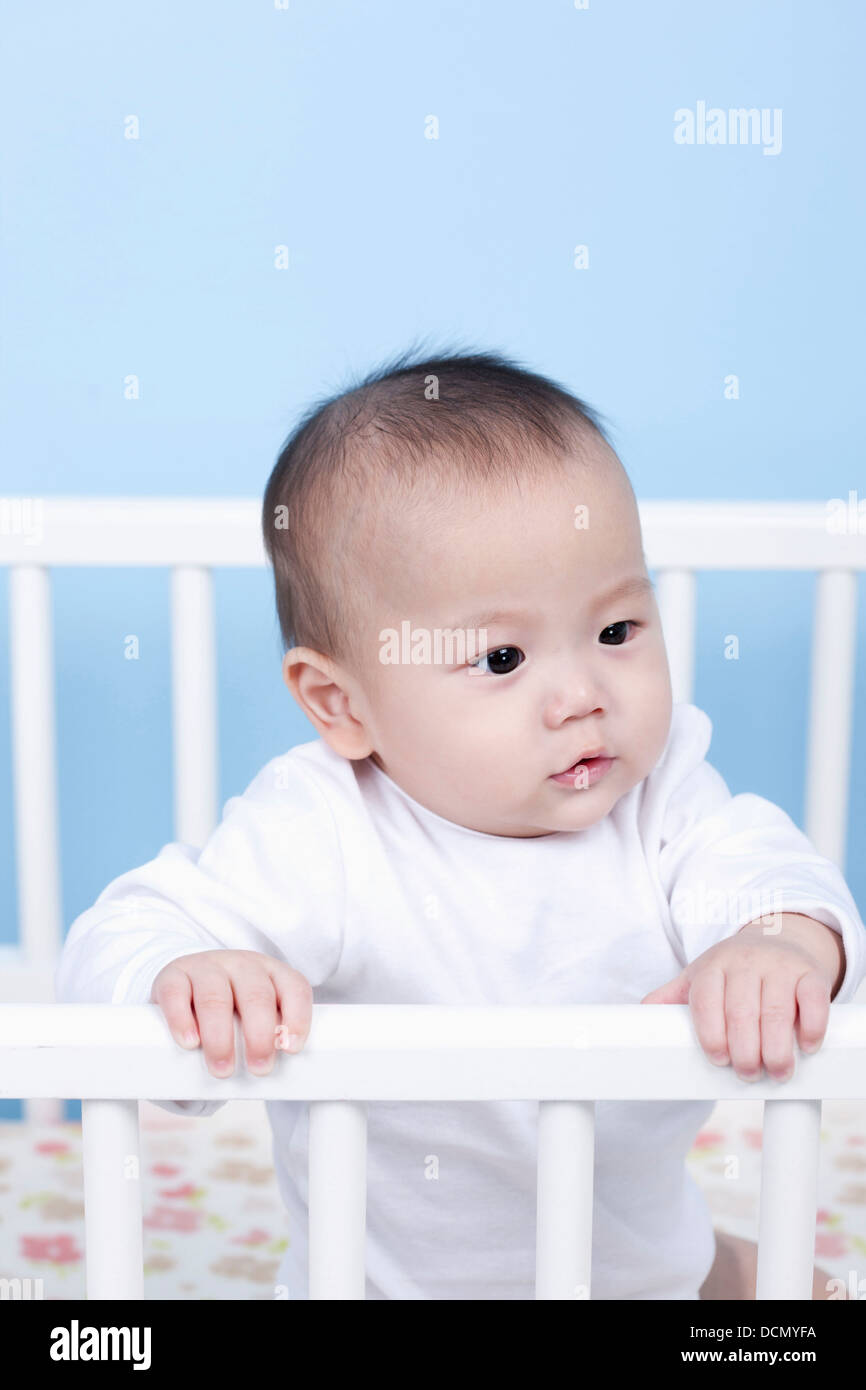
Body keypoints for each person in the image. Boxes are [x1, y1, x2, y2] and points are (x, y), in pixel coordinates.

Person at [57, 348, 864, 1299]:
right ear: (340, 705)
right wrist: (181, 976)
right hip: (384, 1295)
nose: (582, 695)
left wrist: (781, 944)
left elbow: (771, 874)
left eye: (617, 632)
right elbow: (119, 935)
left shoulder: (664, 797)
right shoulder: (326, 828)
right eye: (503, 658)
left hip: (644, 1279)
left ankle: (721, 1265)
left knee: (790, 1311)